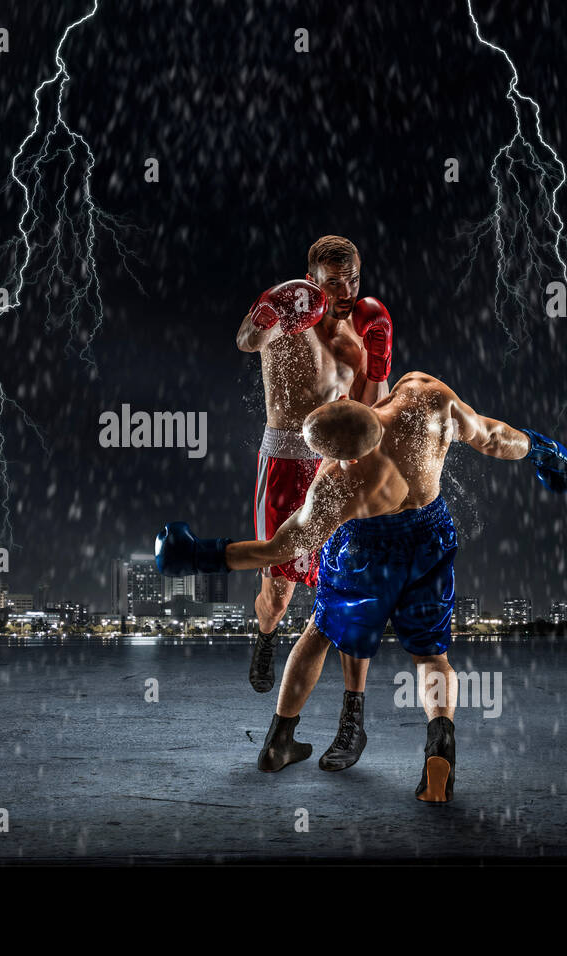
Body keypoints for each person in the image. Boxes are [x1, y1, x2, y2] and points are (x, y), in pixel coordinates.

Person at [155, 372, 567, 801]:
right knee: (431, 655)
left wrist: (201, 555)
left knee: (319, 632)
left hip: (365, 548)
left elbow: (277, 548)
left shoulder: (339, 488)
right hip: (430, 537)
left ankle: (279, 742)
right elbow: (490, 436)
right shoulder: (423, 395)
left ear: (345, 457)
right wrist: (541, 450)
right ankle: (440, 746)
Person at [235, 235, 392, 772]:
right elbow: (244, 340)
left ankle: (352, 718)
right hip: (281, 463)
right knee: (277, 595)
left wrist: (378, 364)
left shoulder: (363, 329)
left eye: (353, 280)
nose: (345, 292)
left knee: (345, 598)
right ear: (312, 281)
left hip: (336, 469)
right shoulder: (289, 315)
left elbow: (372, 417)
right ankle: (265, 634)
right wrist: (272, 306)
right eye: (332, 283)